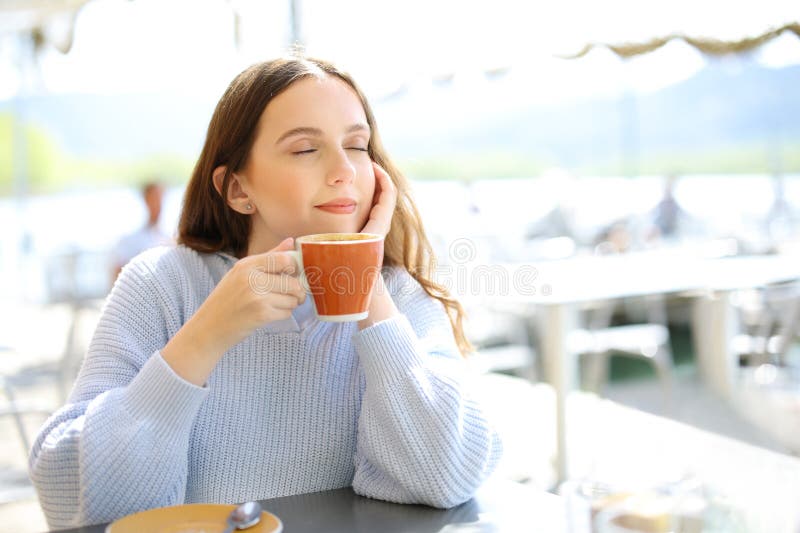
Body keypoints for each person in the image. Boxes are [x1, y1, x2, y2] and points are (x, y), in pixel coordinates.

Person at [28, 57, 502, 529]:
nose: (344, 172)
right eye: (304, 149)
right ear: (236, 188)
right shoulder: (160, 285)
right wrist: (208, 333)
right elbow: (70, 495)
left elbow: (446, 477)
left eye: (357, 146)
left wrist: (365, 281)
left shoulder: (398, 297)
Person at [111, 180, 173, 280]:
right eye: (154, 198)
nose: (158, 203)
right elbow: (117, 272)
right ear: (146, 200)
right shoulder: (130, 240)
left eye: (160, 198)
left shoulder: (171, 237)